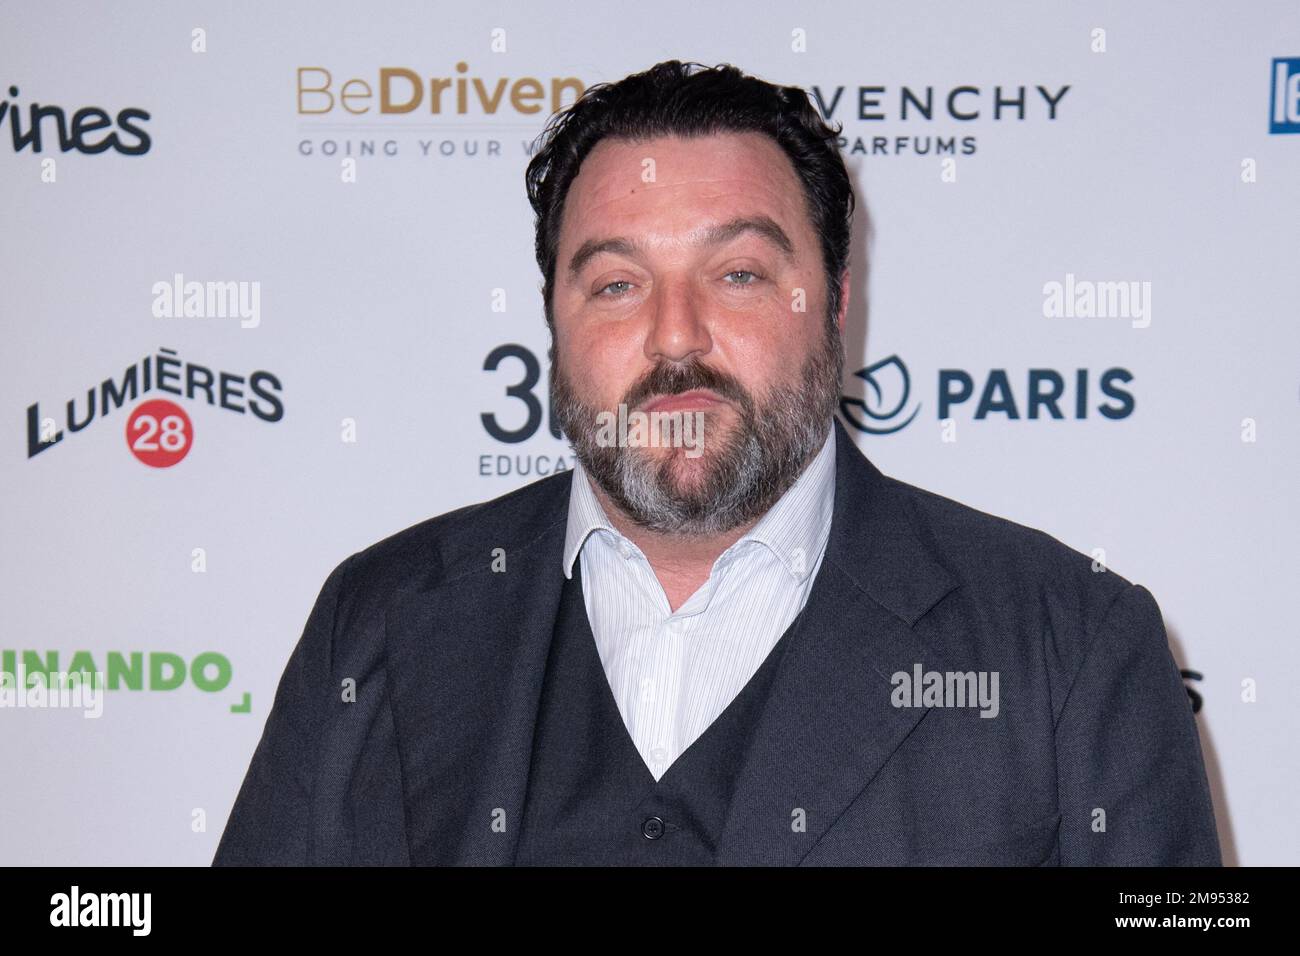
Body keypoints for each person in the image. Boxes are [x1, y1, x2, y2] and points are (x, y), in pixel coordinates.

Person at [213, 60, 1221, 866]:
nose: (675, 336)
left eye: (737, 273)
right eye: (615, 283)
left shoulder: (1070, 645)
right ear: (553, 325)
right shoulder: (381, 619)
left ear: (832, 302)